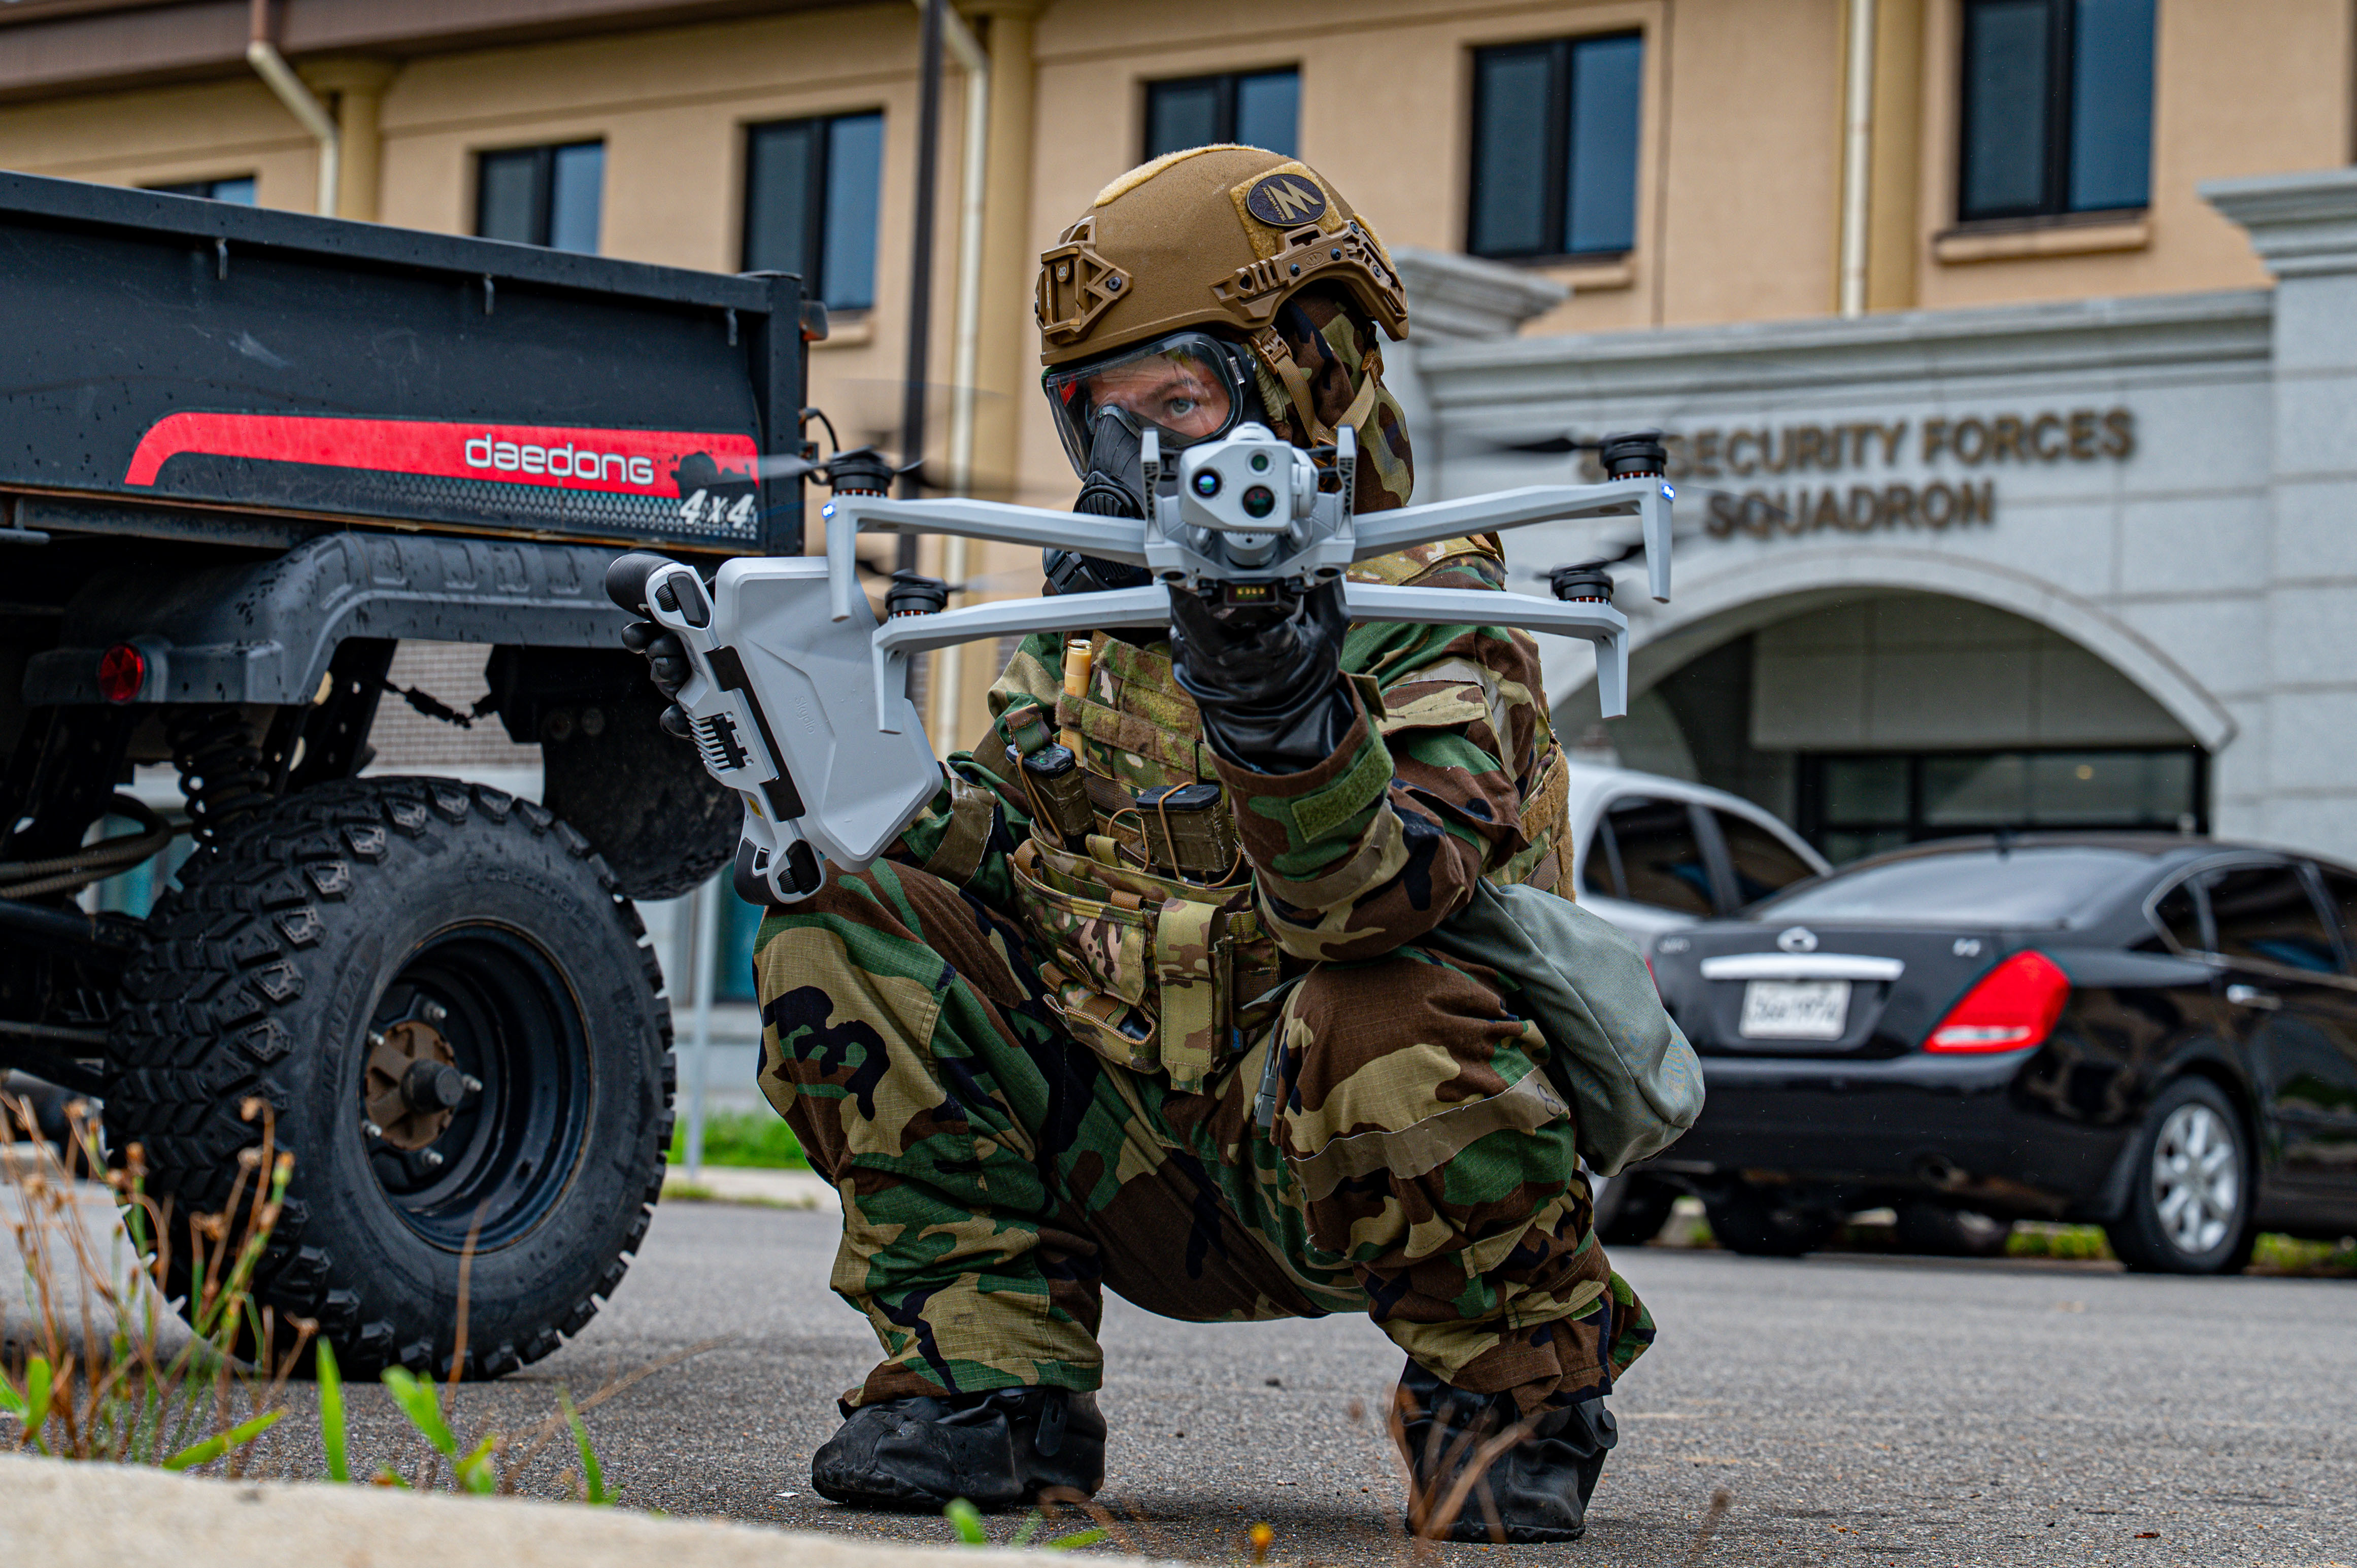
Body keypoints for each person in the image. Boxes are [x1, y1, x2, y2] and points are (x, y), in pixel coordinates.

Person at [632, 145, 1661, 1543]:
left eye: (1178, 402)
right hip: (1124, 1125)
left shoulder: (1435, 611)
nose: (1141, 463)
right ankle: (988, 1392)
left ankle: (1516, 1400)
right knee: (846, 918)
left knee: (1392, 999)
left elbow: (1377, 900)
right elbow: (1006, 855)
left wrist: (1280, 709)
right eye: (1100, 421)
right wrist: (816, 773)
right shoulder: (1084, 632)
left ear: (1316, 375)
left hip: (1339, 1143)